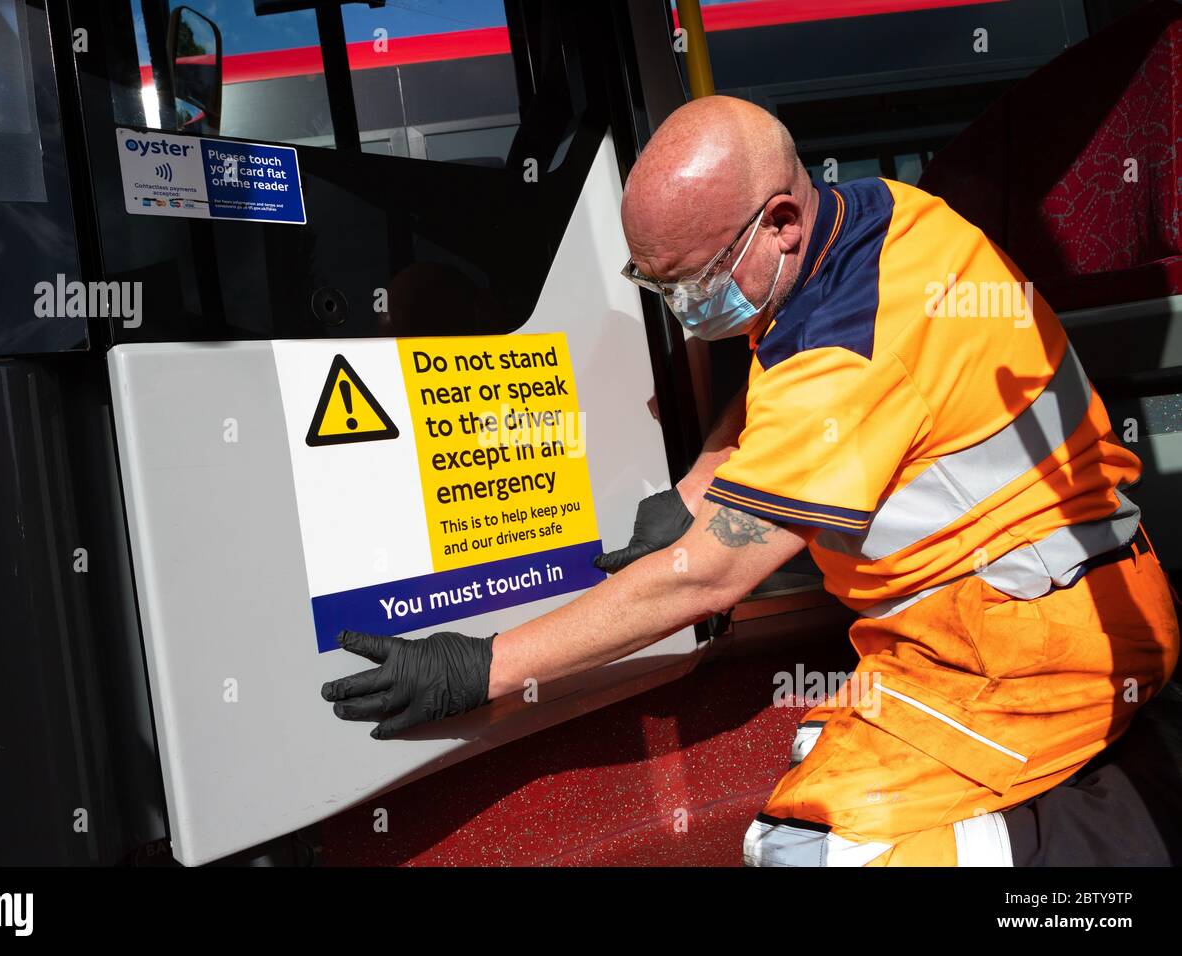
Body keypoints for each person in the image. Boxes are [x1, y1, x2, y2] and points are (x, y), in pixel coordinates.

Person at [322, 96, 1180, 866]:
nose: (685, 310)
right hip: (982, 616)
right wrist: (700, 480)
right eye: (654, 285)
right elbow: (784, 360)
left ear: (779, 222)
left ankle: (1122, 835)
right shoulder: (874, 221)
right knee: (817, 763)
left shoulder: (851, 345)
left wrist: (478, 668)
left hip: (1040, 647)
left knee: (807, 855)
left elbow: (712, 575)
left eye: (692, 282)